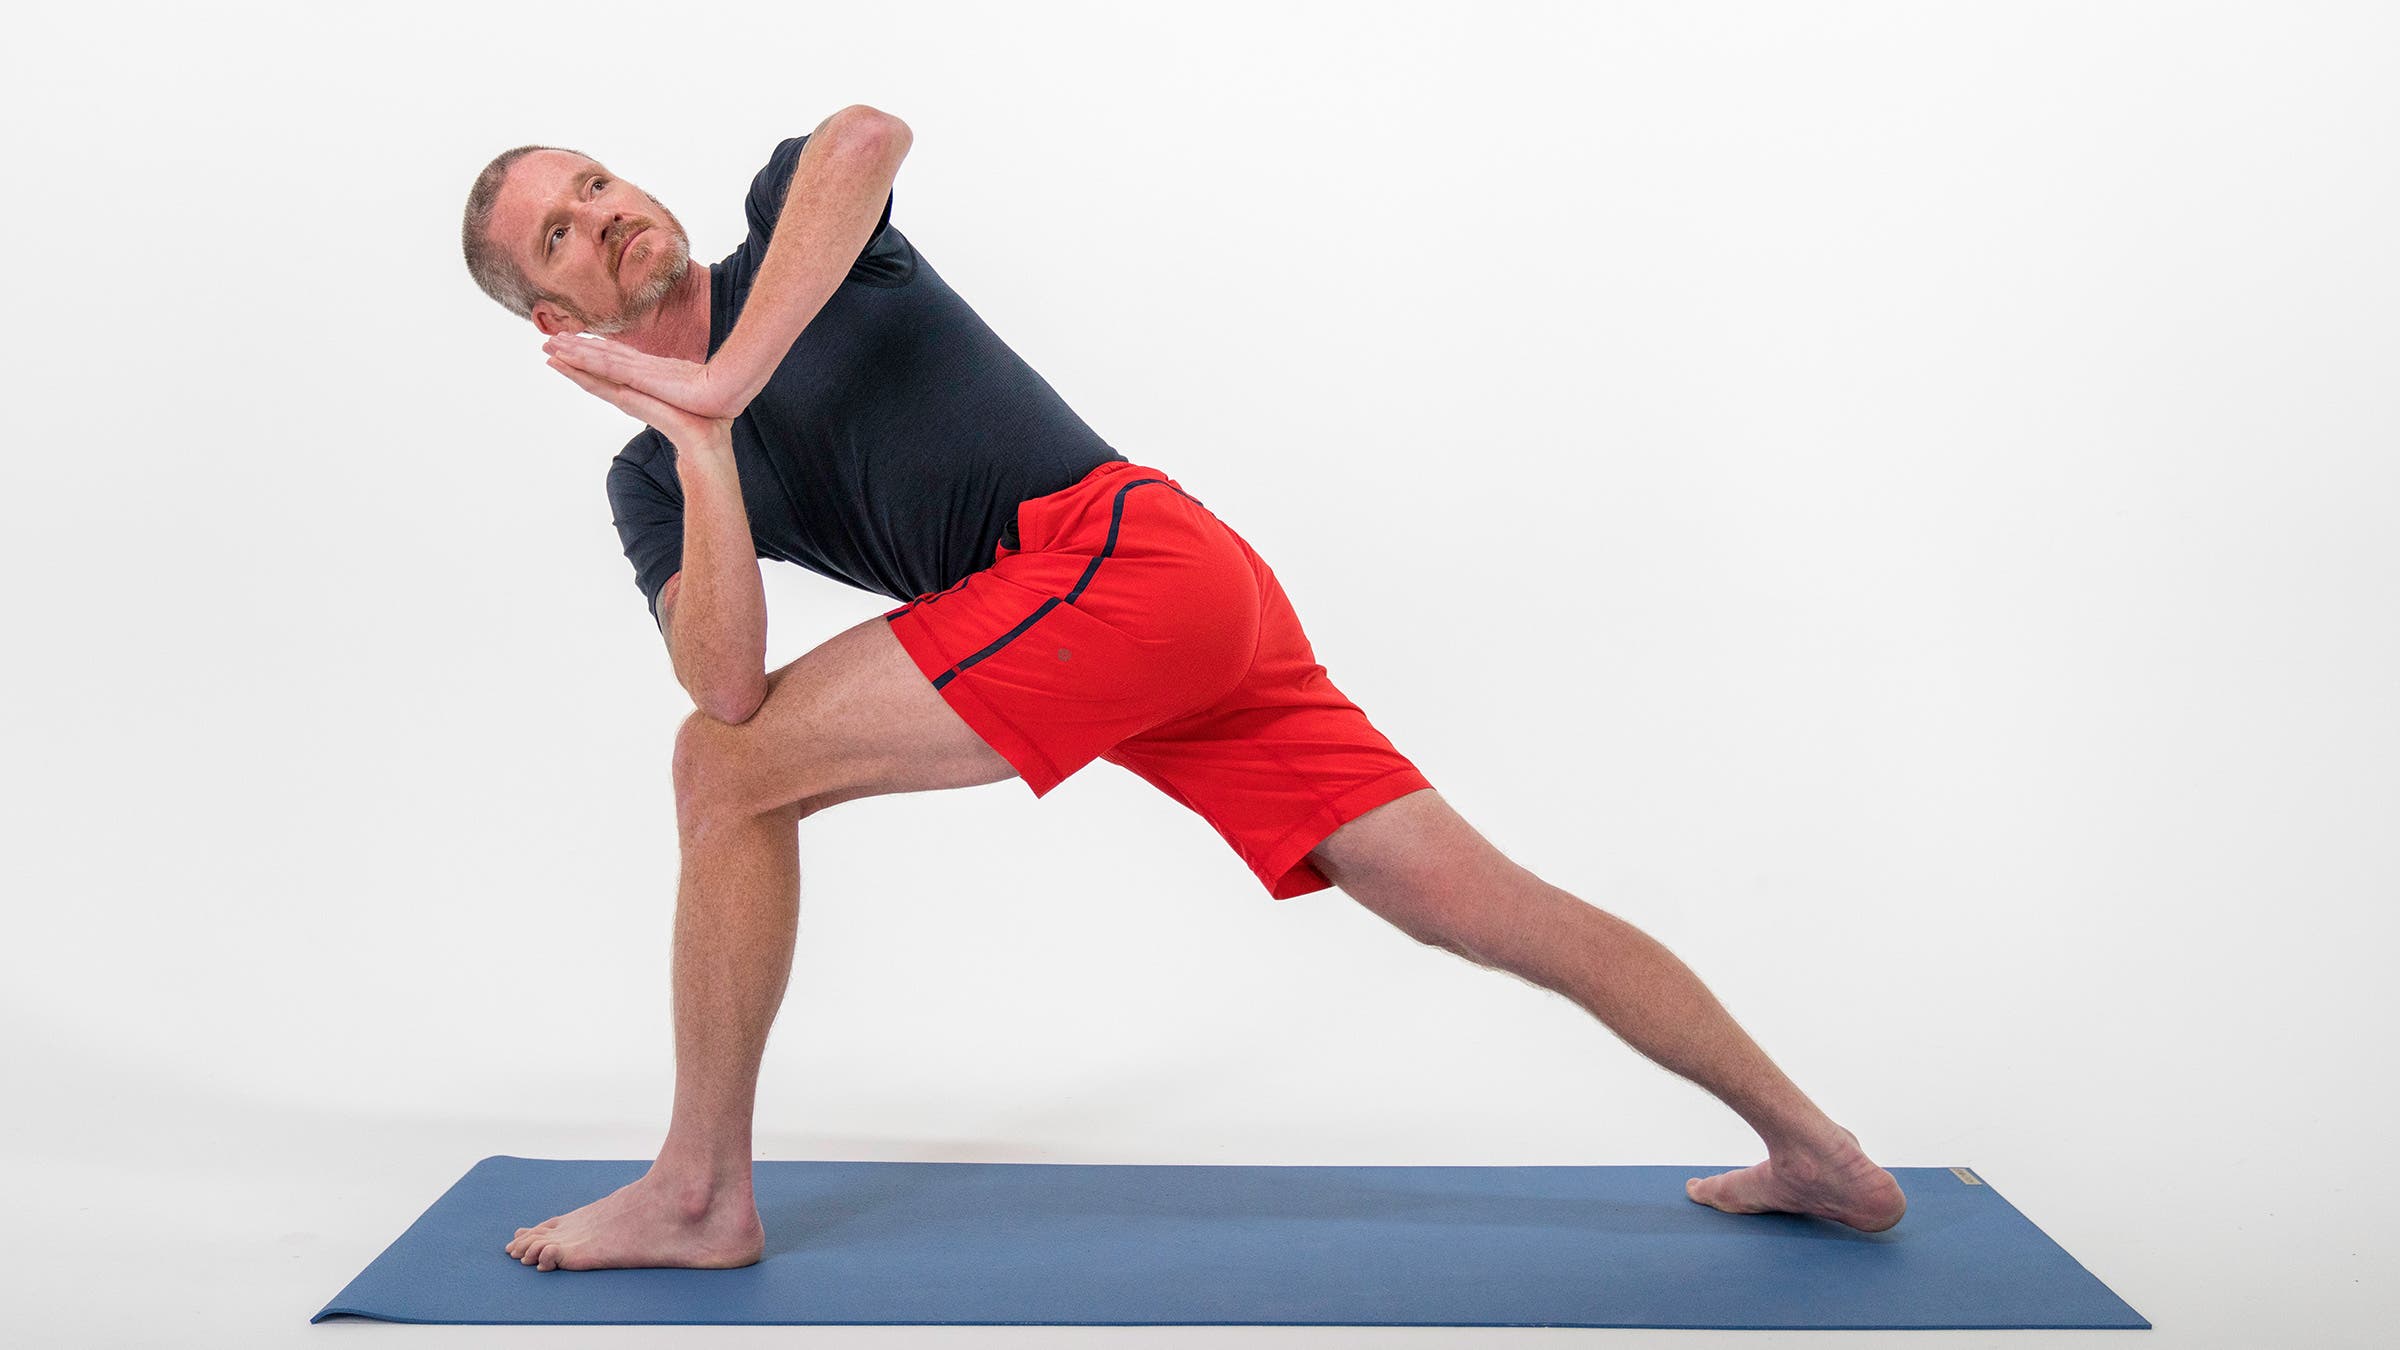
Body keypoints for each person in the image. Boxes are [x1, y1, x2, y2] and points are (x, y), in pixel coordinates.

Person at [457, 105, 1908, 1272]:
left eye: (595, 177)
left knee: (719, 782)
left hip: (1121, 560)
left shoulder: (795, 229)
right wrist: (704, 438)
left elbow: (865, 139)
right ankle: (1823, 1155)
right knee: (1478, 896)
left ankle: (701, 1190)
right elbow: (723, 683)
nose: (605, 211)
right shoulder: (650, 477)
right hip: (1150, 628)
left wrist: (731, 371)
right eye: (563, 232)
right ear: (552, 316)